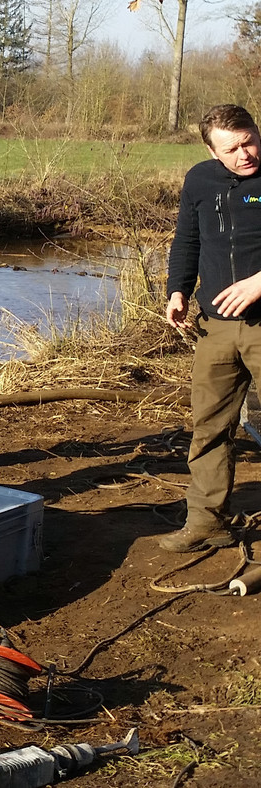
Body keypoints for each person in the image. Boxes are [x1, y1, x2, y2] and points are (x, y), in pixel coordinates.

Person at [160, 104, 261, 552]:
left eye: (249, 141)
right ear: (210, 150)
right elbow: (188, 239)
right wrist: (178, 290)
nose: (245, 154)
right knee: (210, 427)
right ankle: (206, 521)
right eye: (232, 148)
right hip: (215, 327)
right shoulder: (199, 180)